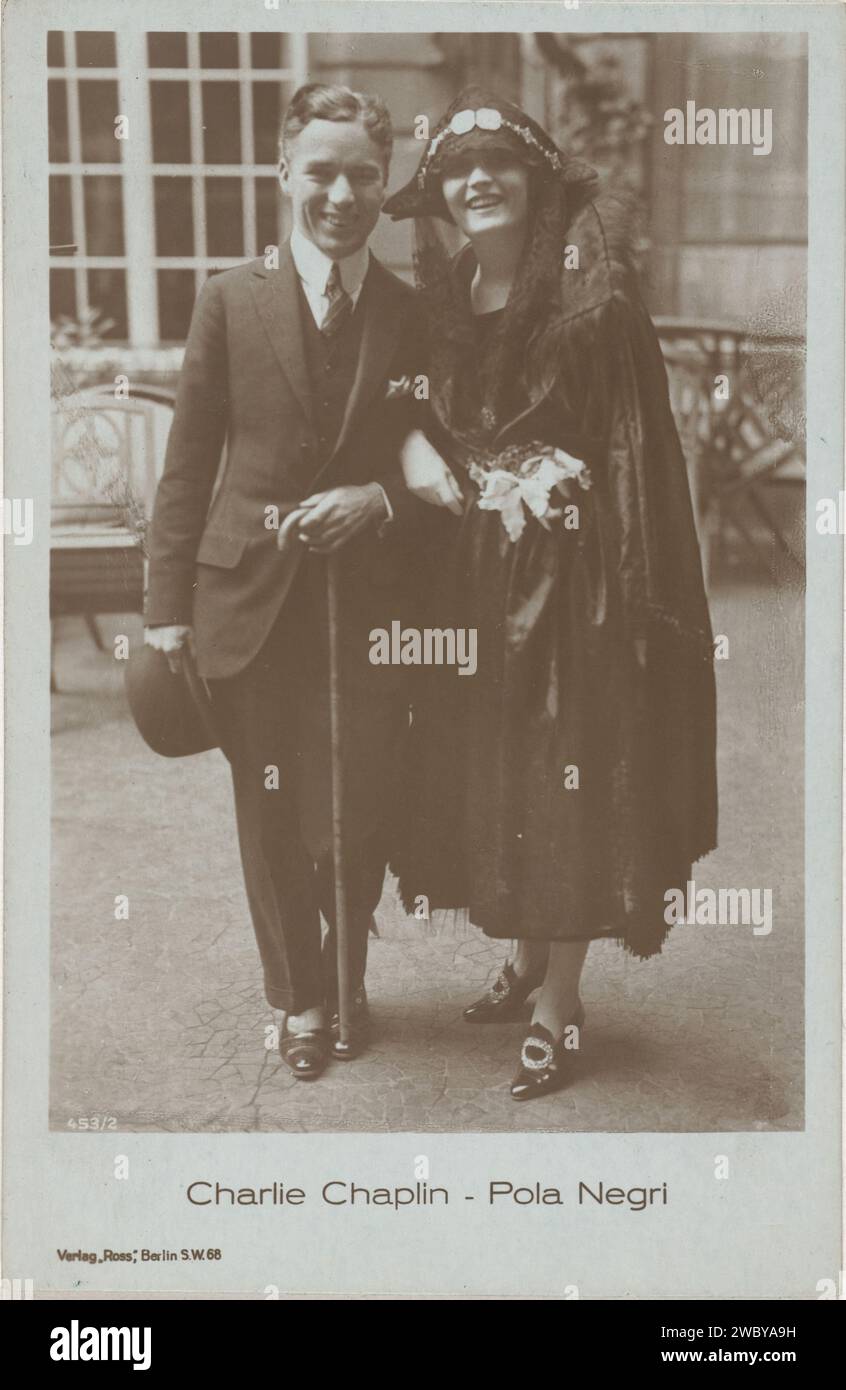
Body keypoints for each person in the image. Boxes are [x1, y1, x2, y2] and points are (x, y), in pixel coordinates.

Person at [385, 88, 718, 1102]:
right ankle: (526, 956)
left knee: (562, 767)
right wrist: (410, 443)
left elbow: (634, 459)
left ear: (537, 184)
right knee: (497, 768)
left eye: (500, 164)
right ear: (439, 194)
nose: (478, 181)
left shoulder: (592, 303)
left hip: (573, 581)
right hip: (466, 579)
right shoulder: (438, 297)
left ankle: (557, 1004)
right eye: (457, 169)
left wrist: (556, 485)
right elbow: (407, 410)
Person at [144, 83, 425, 1082]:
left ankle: (346, 979)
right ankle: (304, 999)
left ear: (384, 183)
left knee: (352, 806)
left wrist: (380, 498)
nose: (341, 193)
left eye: (362, 174)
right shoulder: (232, 295)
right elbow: (187, 465)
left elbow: (439, 456)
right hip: (245, 602)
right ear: (283, 174)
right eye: (321, 171)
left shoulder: (412, 311)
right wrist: (164, 612)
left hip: (366, 608)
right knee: (268, 810)